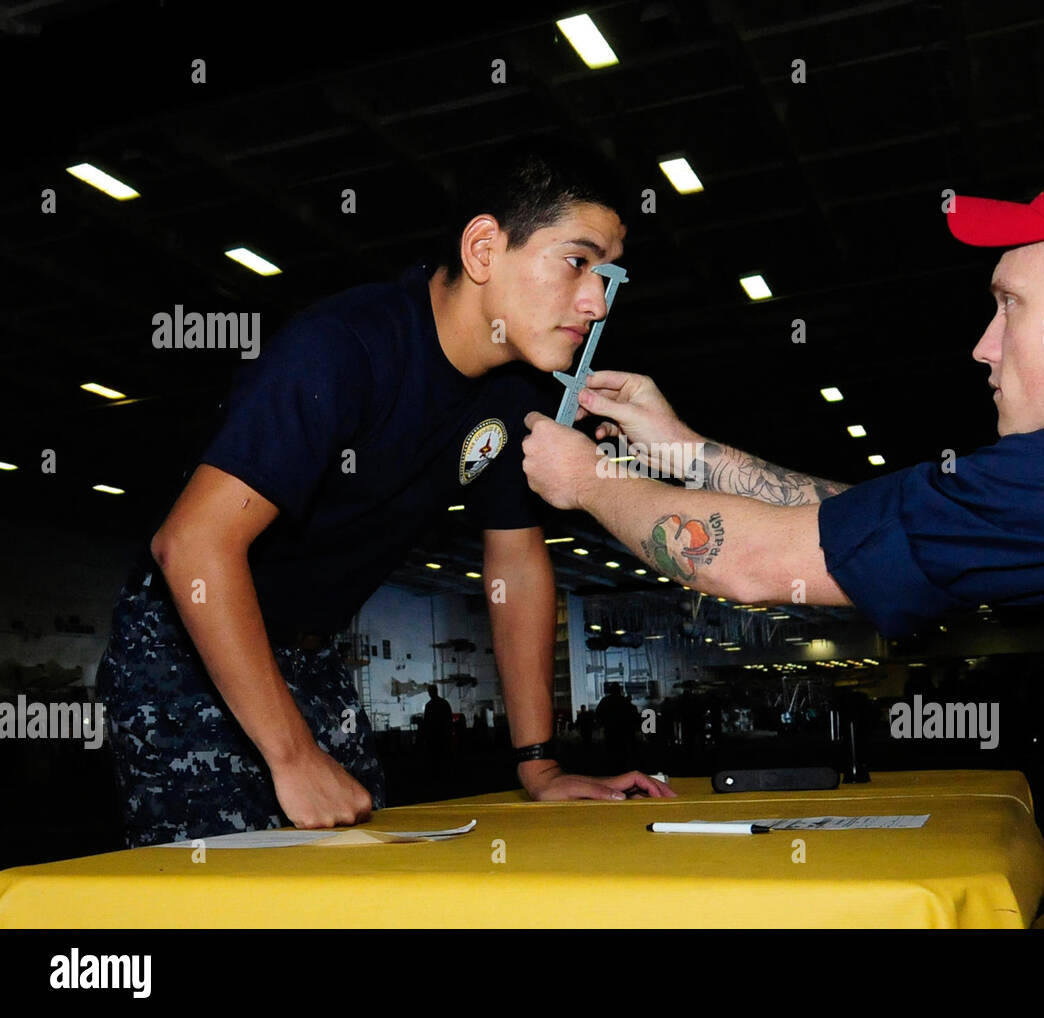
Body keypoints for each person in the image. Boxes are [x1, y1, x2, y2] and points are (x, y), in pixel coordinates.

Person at [520, 141, 1044, 921]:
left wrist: (590, 480)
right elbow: (869, 527)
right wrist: (688, 453)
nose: (984, 346)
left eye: (1011, 304)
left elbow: (754, 563)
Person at [97, 140, 674, 849]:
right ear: (484, 249)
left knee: (361, 875)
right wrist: (291, 753)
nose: (597, 300)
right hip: (186, 648)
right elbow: (192, 542)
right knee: (220, 897)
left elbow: (517, 564)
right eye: (578, 262)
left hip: (313, 656)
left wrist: (539, 763)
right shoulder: (342, 348)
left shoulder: (516, 392)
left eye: (609, 275)